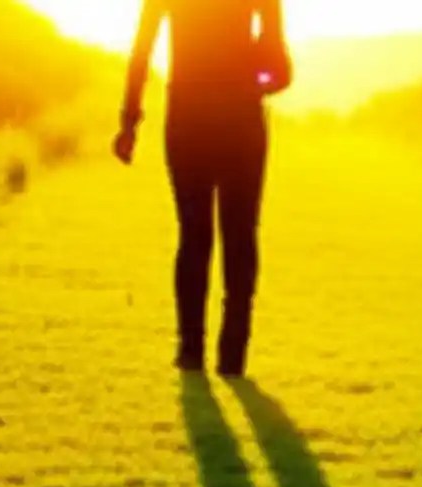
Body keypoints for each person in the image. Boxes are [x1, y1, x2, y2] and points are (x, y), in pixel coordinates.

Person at [114, 0, 293, 378]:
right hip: (241, 121)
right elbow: (280, 69)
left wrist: (130, 122)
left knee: (194, 236)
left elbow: (141, 50)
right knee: (241, 236)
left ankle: (190, 350)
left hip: (186, 117)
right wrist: (252, 82)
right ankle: (232, 358)